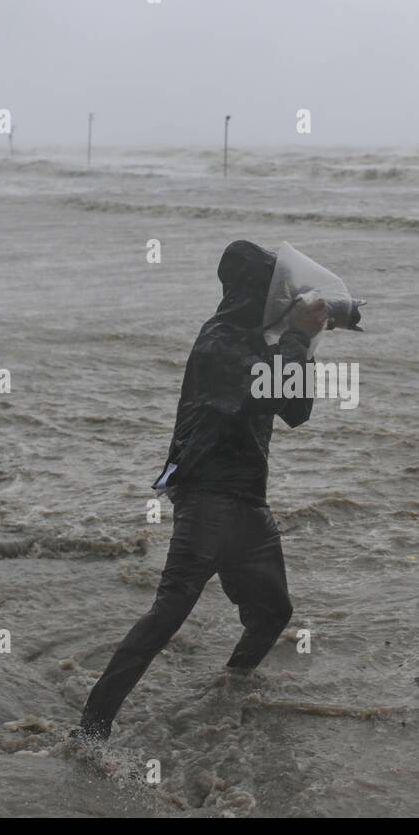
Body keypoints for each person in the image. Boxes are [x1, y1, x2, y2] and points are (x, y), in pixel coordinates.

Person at [76, 240, 329, 742]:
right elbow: (271, 393)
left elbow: (296, 412)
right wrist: (295, 339)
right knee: (169, 612)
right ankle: (89, 732)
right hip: (208, 496)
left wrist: (302, 341)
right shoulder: (219, 342)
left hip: (247, 500)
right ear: (251, 292)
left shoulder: (258, 341)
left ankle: (228, 692)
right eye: (273, 291)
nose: (280, 300)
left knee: (273, 612)